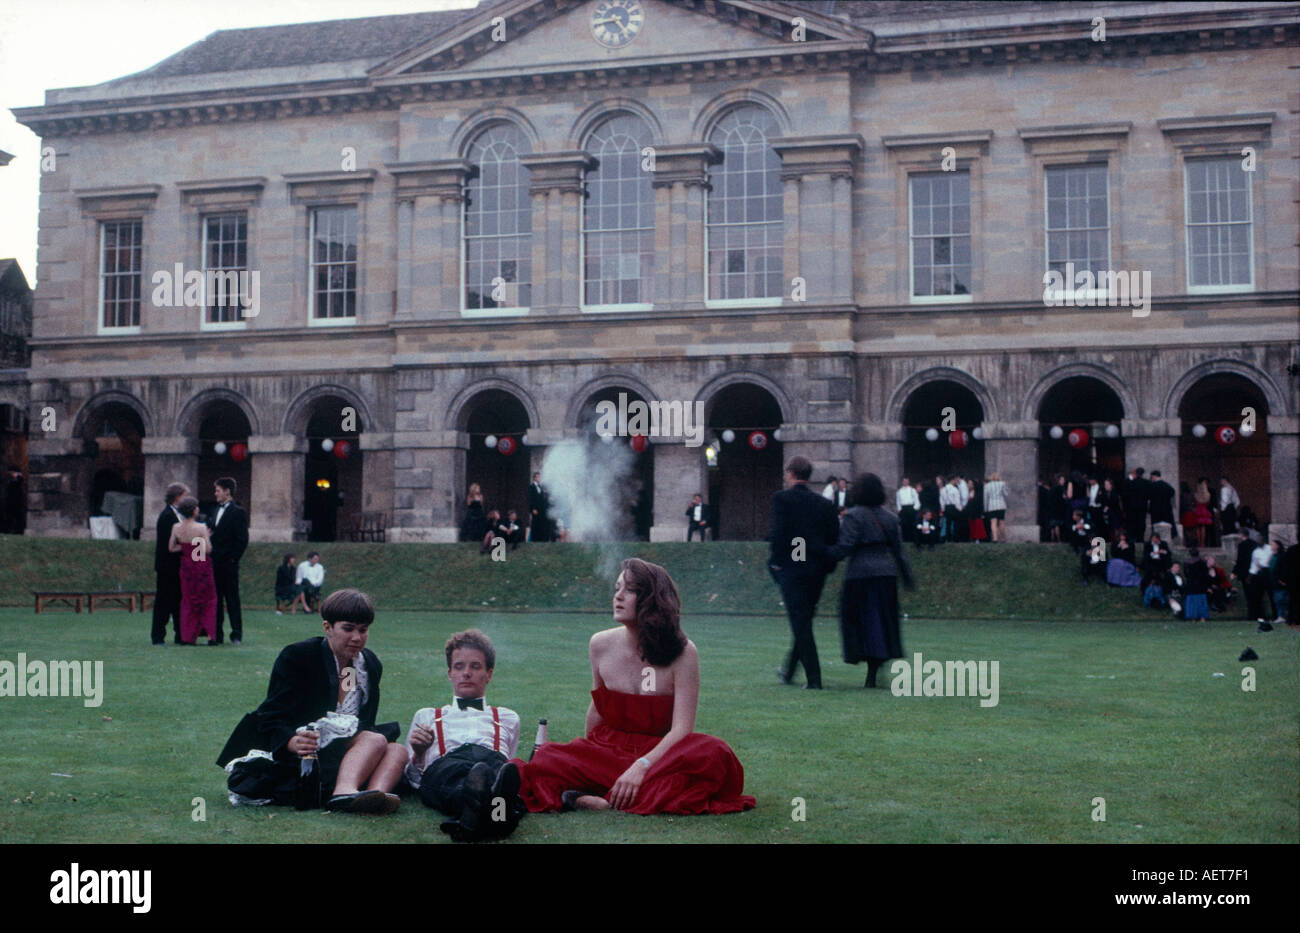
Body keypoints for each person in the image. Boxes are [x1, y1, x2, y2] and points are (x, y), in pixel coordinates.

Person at [511, 558, 755, 814]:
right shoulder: (599, 644)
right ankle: (594, 795)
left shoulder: (684, 653)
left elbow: (682, 728)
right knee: (548, 757)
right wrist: (583, 756)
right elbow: (597, 706)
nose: (618, 597)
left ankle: (585, 796)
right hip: (609, 749)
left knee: (714, 754)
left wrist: (642, 765)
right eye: (616, 589)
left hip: (660, 754)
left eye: (629, 590)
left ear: (652, 599)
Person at [216, 589, 407, 813]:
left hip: (345, 752)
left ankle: (374, 797)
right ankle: (343, 792)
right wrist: (291, 741)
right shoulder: (299, 656)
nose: (357, 637)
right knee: (375, 741)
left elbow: (363, 721)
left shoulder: (369, 664)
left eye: (363, 630)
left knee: (397, 751)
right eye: (348, 628)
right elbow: (270, 714)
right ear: (327, 627)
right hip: (304, 754)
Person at [405, 629, 524, 842]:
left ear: (489, 673)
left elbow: (506, 755)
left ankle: (472, 817)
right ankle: (498, 816)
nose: (466, 673)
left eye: (475, 666)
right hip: (447, 766)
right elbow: (415, 780)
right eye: (459, 666)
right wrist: (419, 753)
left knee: (497, 772)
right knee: (454, 783)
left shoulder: (508, 718)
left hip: (490, 762)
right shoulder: (428, 716)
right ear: (450, 673)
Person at [829, 474, 915, 688]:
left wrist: (821, 554)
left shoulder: (853, 516)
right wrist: (907, 576)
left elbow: (844, 548)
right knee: (880, 621)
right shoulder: (891, 518)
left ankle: (867, 663)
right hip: (886, 574)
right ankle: (876, 667)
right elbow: (899, 552)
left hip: (859, 574)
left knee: (859, 622)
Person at [768, 456, 841, 690]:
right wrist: (827, 564)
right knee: (803, 620)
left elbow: (779, 533)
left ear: (790, 473)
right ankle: (789, 671)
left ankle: (814, 679)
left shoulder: (782, 499)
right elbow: (833, 537)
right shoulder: (824, 504)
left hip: (792, 568)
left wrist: (776, 563)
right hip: (815, 569)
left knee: (801, 623)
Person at [168, 496, 217, 644]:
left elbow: (171, 547)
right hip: (201, 564)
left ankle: (188, 636)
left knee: (188, 601)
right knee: (208, 600)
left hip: (187, 565)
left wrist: (185, 547)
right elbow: (208, 549)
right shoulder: (201, 527)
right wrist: (205, 538)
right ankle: (210, 635)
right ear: (194, 510)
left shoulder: (176, 527)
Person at [207, 477, 248, 646]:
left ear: (227, 491)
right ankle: (216, 634)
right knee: (215, 599)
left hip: (229, 563)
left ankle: (236, 633)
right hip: (213, 562)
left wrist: (233, 558)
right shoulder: (214, 510)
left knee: (232, 599)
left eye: (217, 490)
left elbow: (242, 539)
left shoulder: (238, 512)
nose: (215, 493)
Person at [151, 482, 188, 645]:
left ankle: (180, 635)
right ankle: (158, 636)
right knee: (163, 603)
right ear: (177, 497)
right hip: (167, 567)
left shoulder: (178, 515)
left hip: (176, 567)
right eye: (184, 496)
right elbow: (169, 545)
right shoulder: (167, 516)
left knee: (178, 602)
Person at [1245, 539, 1276, 630]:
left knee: (1272, 595)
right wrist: (1250, 576)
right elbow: (1254, 565)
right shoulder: (1255, 552)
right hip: (1260, 573)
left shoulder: (1269, 549)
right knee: (1258, 596)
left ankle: (1275, 615)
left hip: (1269, 571)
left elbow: (1271, 560)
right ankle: (1258, 615)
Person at [1120, 467, 1150, 546]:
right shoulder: (1146, 483)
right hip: (1142, 507)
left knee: (1132, 523)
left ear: (1136, 474)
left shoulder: (1130, 482)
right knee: (1141, 523)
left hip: (1131, 508)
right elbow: (1149, 495)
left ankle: (1132, 539)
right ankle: (1140, 539)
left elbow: (1124, 495)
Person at [1148, 470, 1176, 542]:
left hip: (1155, 509)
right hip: (1166, 508)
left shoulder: (1152, 485)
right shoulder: (1166, 485)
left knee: (1155, 525)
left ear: (1154, 476)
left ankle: (1155, 539)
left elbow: (1149, 496)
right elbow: (1172, 492)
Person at [1183, 548, 1210, 622]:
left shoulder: (1186, 563)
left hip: (1191, 584)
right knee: (1201, 602)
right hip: (1200, 584)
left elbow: (1186, 574)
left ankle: (1193, 618)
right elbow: (1206, 574)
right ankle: (1203, 618)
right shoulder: (1202, 562)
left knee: (1192, 603)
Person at [527, 473, 551, 542]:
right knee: (535, 524)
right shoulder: (531, 487)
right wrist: (532, 509)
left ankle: (542, 539)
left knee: (542, 524)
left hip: (542, 510)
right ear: (534, 478)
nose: (539, 479)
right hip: (535, 509)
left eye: (540, 477)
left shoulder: (541, 487)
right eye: (538, 477)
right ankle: (535, 539)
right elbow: (530, 499)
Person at [983, 473, 1006, 543]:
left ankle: (995, 538)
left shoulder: (987, 485)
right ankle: (1003, 539)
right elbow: (1006, 494)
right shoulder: (1002, 484)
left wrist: (985, 508)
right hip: (1001, 505)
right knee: (1001, 522)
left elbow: (985, 497)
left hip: (992, 506)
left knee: (993, 522)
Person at [896, 477, 920, 543]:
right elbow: (898, 501)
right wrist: (899, 510)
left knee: (911, 524)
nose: (905, 482)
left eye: (907, 481)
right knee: (904, 524)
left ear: (909, 481)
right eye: (904, 481)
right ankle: (905, 539)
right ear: (902, 482)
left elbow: (916, 500)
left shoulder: (912, 490)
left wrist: (914, 509)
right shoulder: (899, 491)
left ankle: (911, 539)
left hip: (911, 508)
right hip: (903, 509)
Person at [1192, 477, 1213, 548]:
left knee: (1197, 527)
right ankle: (1203, 543)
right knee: (1203, 527)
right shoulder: (1208, 494)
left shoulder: (1196, 494)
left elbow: (1194, 502)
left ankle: (1198, 543)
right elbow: (1208, 503)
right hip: (1204, 510)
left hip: (1197, 510)